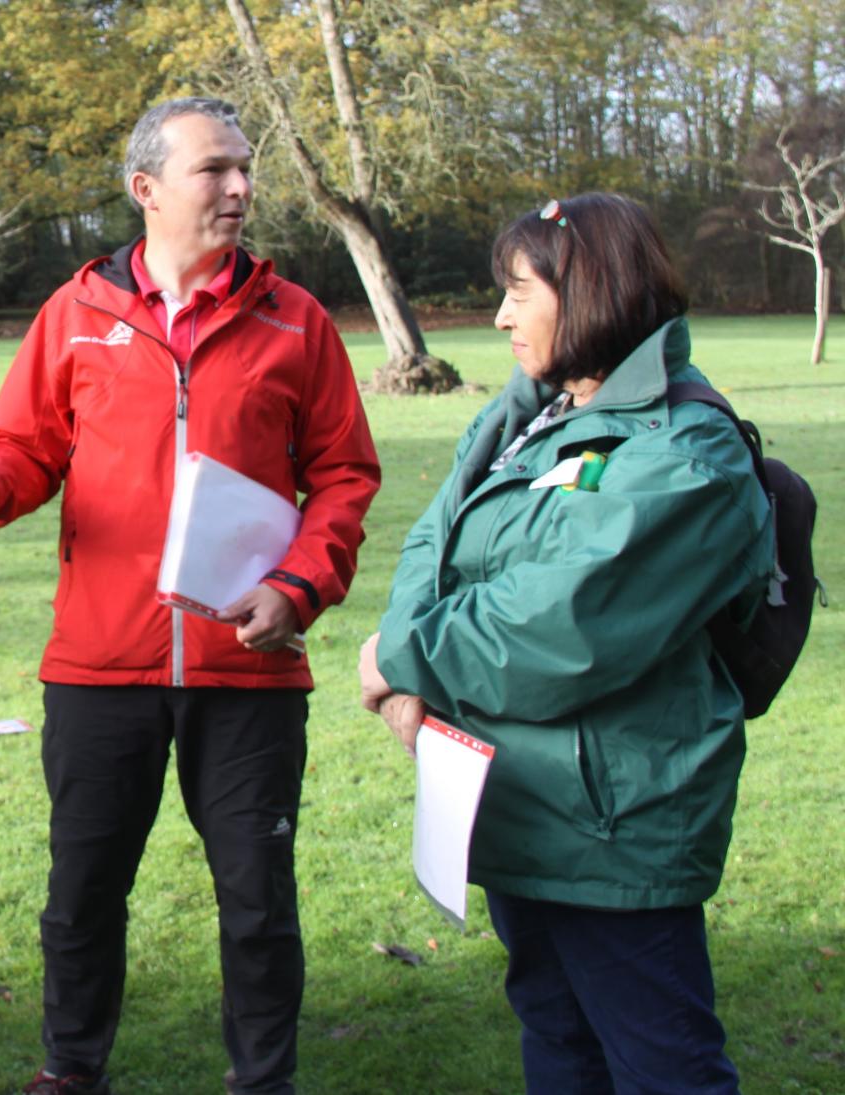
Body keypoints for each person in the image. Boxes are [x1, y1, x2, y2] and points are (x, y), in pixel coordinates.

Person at [0, 97, 381, 1095]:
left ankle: (262, 1081)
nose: (238, 187)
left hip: (248, 668)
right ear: (145, 190)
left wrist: (298, 588)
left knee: (257, 905)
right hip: (99, 669)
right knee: (81, 896)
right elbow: (23, 452)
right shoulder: (75, 314)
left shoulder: (294, 320)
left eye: (243, 167)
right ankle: (69, 1070)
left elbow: (343, 477)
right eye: (214, 169)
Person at [360, 192, 770, 1094]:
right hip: (515, 800)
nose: (501, 315)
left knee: (663, 1066)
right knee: (558, 1041)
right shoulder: (532, 412)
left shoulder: (686, 456)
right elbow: (436, 534)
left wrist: (404, 657)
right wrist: (406, 652)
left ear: (590, 291)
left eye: (519, 291)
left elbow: (561, 624)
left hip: (611, 825)